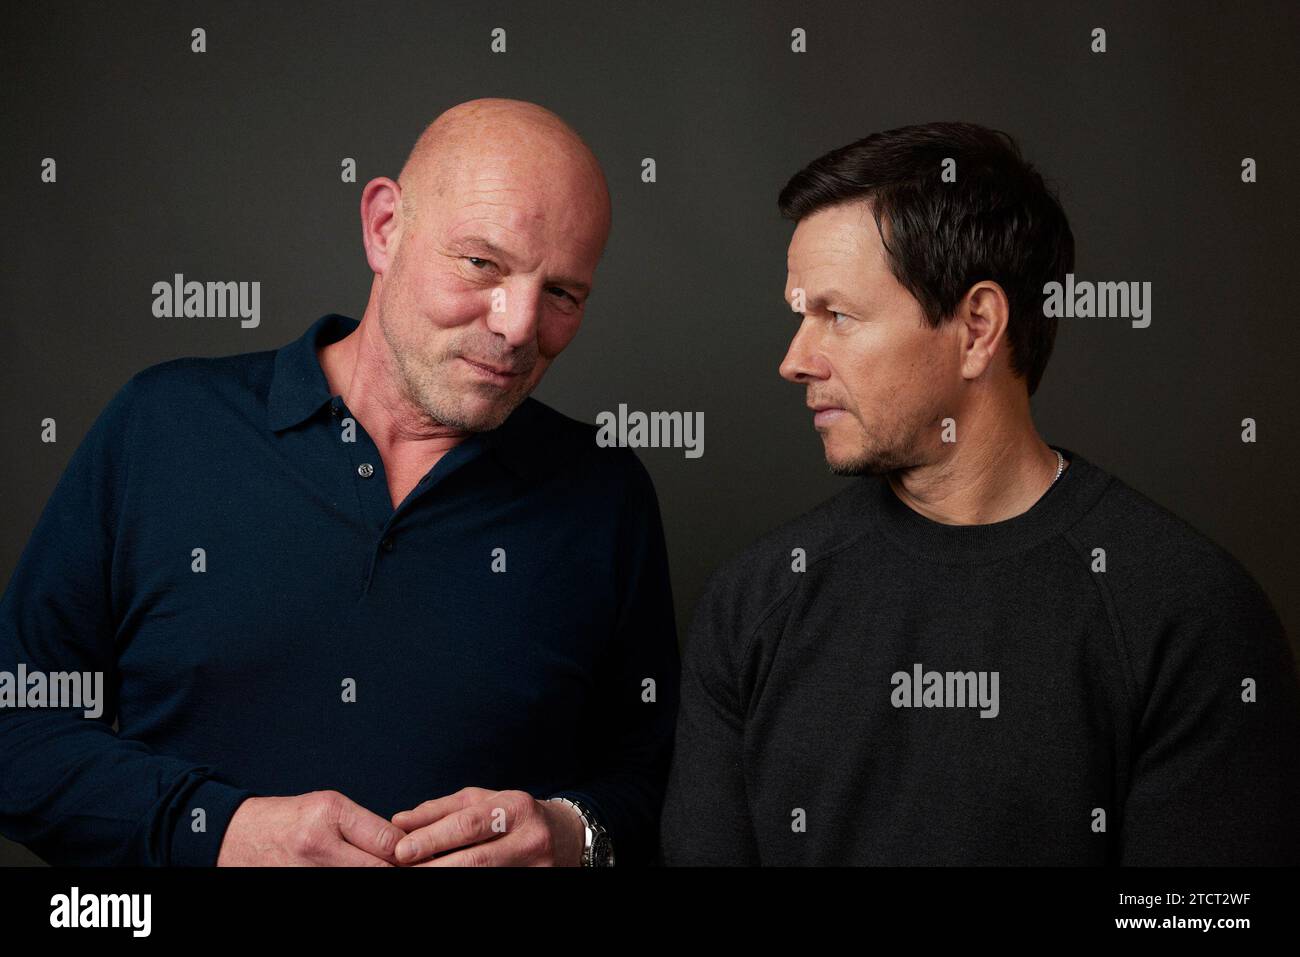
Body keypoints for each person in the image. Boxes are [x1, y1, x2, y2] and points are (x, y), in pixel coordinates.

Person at [0, 98, 680, 867]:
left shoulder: (606, 493)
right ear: (385, 226)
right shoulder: (163, 426)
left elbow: (664, 778)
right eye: (482, 263)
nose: (520, 325)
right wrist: (217, 830)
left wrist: (574, 834)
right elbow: (16, 727)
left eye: (562, 293)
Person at [660, 121, 1300, 865]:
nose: (795, 359)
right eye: (800, 315)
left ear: (977, 327)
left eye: (836, 315)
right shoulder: (753, 604)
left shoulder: (1188, 613)